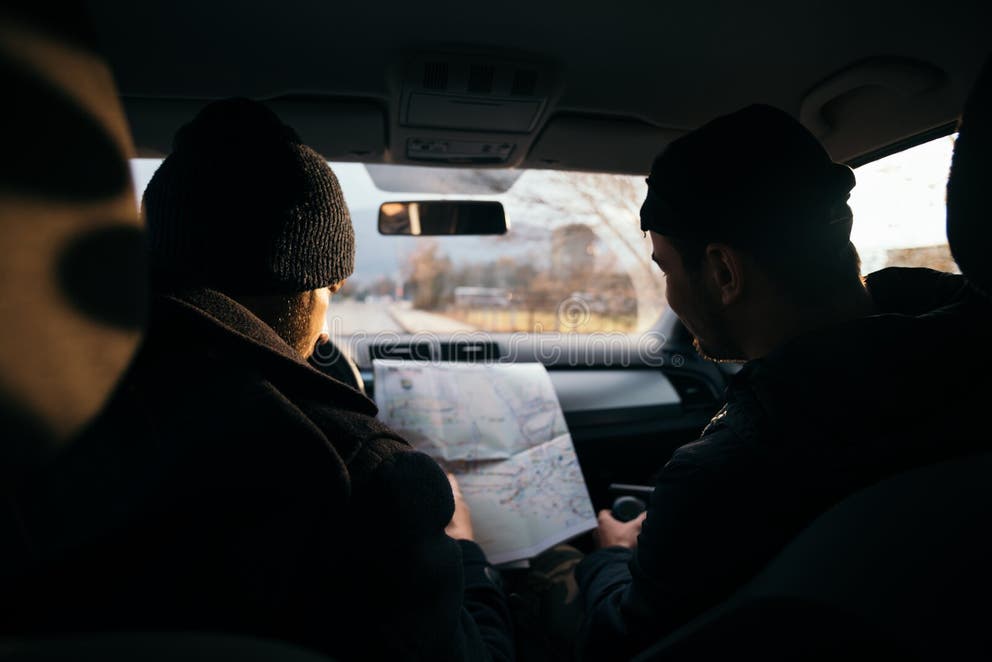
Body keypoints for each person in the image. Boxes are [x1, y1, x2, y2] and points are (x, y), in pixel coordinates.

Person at [5, 99, 513, 661]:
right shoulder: (366, 481)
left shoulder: (32, 425)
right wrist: (468, 555)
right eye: (332, 284)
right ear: (309, 283)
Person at [576, 104, 992, 660]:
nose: (671, 294)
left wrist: (608, 555)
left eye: (666, 269)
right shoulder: (972, 355)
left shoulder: (725, 474)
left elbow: (617, 642)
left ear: (724, 273)